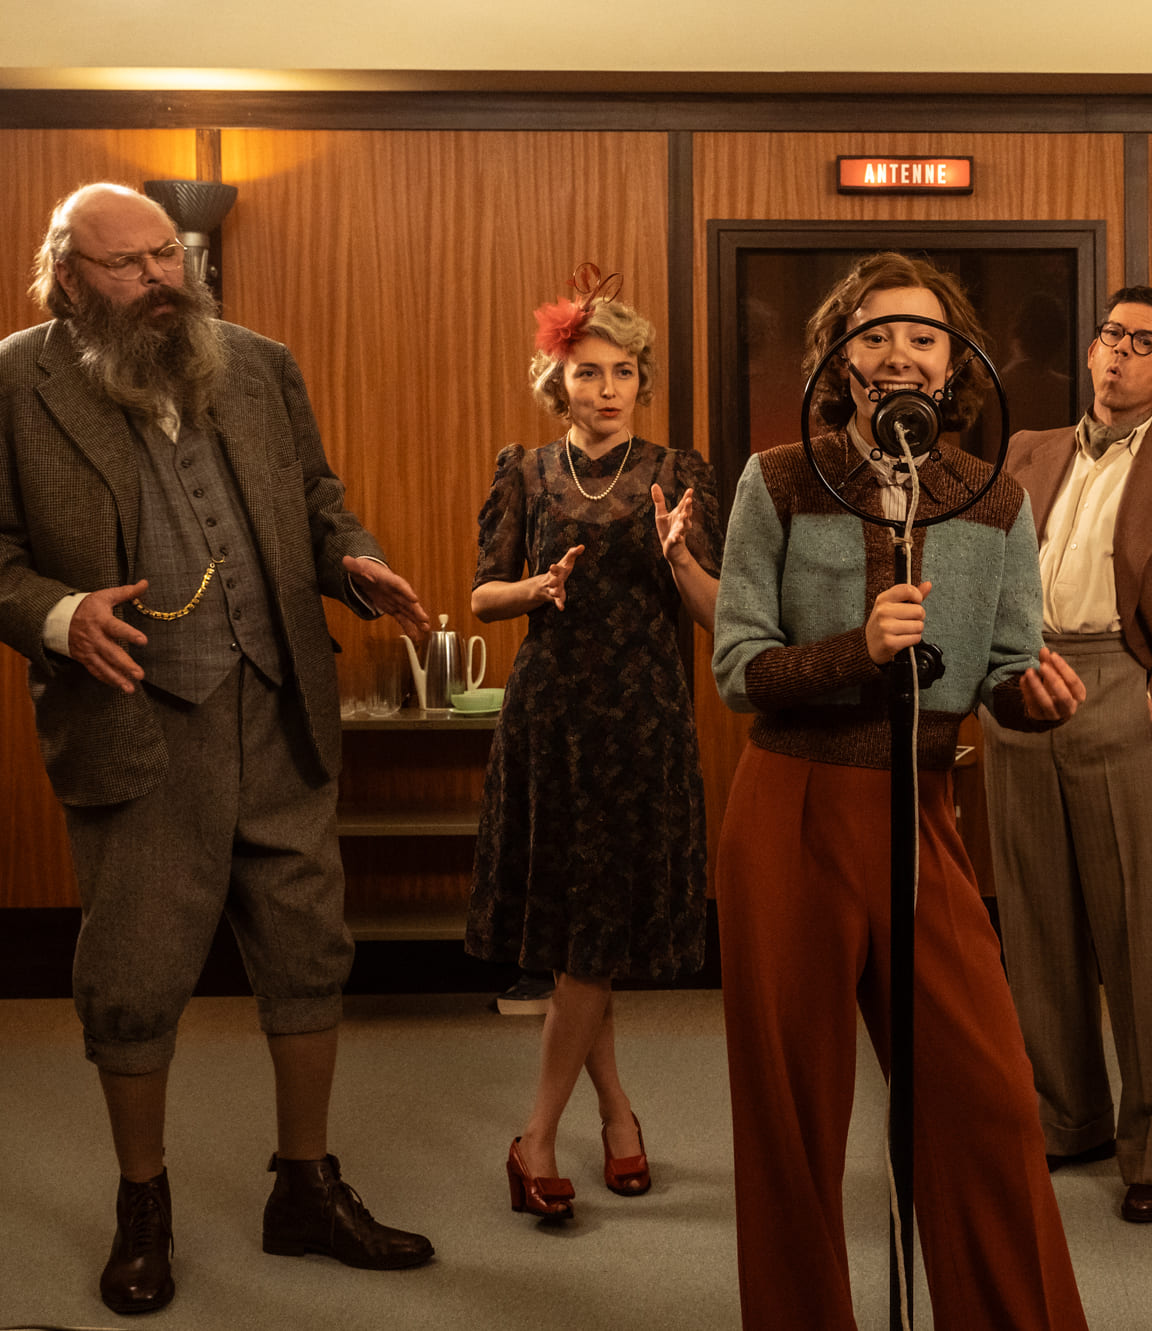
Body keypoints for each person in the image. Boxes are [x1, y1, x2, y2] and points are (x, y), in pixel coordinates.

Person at [0, 183, 434, 1315]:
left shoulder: (257, 364)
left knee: (309, 951)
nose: (160, 279)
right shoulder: (13, 382)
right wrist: (58, 615)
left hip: (279, 705)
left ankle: (307, 1187)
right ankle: (143, 1203)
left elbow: (317, 501)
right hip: (134, 721)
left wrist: (354, 562)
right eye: (129, 264)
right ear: (67, 279)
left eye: (168, 256)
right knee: (133, 977)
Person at [711, 251, 1090, 1330]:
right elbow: (738, 667)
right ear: (839, 359)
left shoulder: (996, 498)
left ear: (954, 363)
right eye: (873, 333)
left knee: (990, 1099)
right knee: (794, 1119)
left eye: (923, 336)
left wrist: (1031, 696)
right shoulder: (778, 478)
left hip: (923, 814)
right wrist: (855, 648)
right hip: (789, 810)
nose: (898, 353)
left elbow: (1005, 665)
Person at [981, 284, 1152, 1224]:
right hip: (1024, 677)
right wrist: (998, 667)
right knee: (1034, 924)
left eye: (1143, 344)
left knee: (1136, 934)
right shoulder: (1026, 451)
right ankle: (1067, 1119)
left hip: (1121, 684)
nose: (1118, 353)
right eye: (1110, 335)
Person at [464, 268, 720, 1222]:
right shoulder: (526, 472)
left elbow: (716, 614)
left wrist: (679, 555)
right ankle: (605, 1118)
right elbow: (483, 596)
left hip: (643, 721)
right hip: (552, 721)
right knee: (586, 937)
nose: (606, 389)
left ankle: (539, 1133)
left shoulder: (677, 475)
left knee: (593, 937)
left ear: (641, 379)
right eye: (587, 373)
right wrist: (538, 587)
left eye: (622, 372)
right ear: (558, 382)